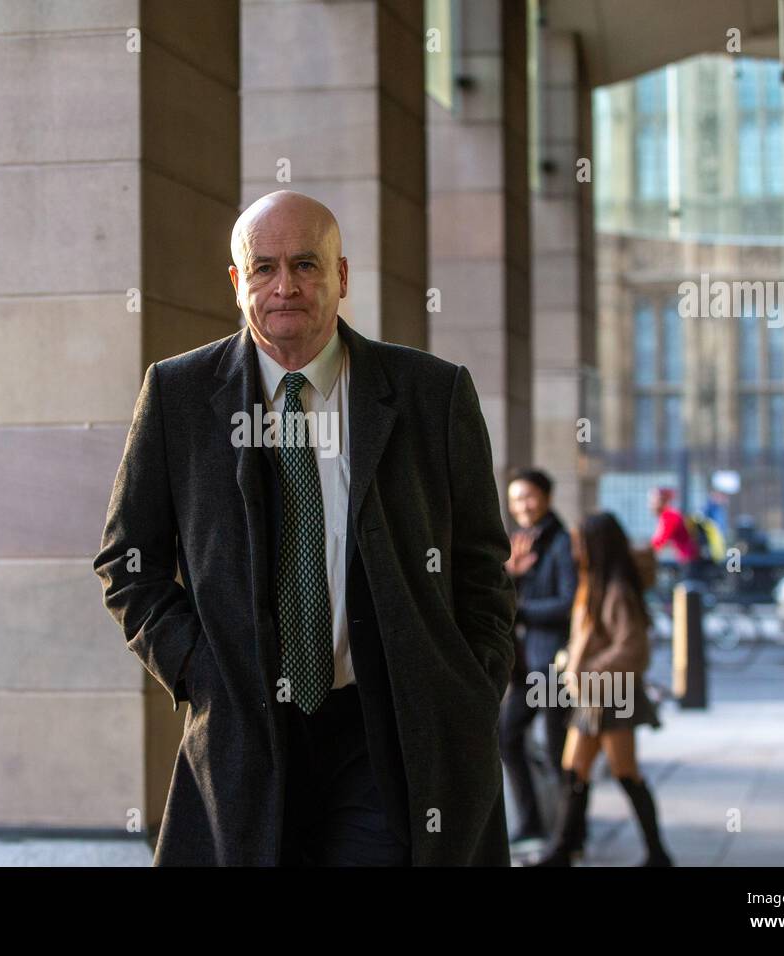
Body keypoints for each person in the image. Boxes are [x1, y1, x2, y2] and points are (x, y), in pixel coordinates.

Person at [95, 190, 517, 866]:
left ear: (342, 276)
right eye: (263, 268)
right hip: (246, 732)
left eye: (306, 265)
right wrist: (199, 671)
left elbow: (480, 564)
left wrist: (469, 682)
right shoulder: (177, 396)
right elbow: (127, 563)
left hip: (389, 729)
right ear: (238, 283)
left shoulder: (431, 394)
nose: (284, 286)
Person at [530, 512, 673, 867]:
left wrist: (585, 668)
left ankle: (657, 854)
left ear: (598, 545)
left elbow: (632, 647)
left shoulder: (616, 589)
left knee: (625, 772)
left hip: (612, 694)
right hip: (594, 694)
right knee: (574, 770)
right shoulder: (595, 582)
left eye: (582, 543)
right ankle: (563, 849)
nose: (576, 551)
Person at [498, 468, 578, 848]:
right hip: (526, 667)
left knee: (560, 748)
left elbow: (568, 603)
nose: (522, 506)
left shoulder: (561, 542)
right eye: (515, 499)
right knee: (507, 735)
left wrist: (521, 608)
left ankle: (568, 835)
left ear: (546, 496)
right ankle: (532, 823)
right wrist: (511, 575)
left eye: (528, 497)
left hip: (554, 666)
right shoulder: (520, 541)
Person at [649, 486, 702, 583]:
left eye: (654, 501)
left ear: (662, 501)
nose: (651, 505)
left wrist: (644, 553)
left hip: (688, 561)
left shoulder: (669, 516)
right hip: (687, 559)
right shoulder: (670, 515)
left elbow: (659, 541)